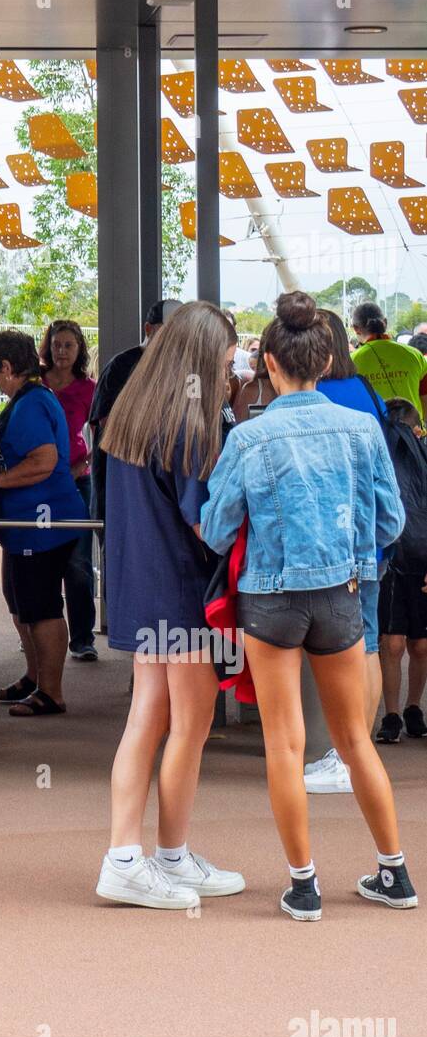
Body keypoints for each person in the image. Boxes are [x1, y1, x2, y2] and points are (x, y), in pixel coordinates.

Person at [202, 291, 414, 921]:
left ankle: (303, 886)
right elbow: (391, 521)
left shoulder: (249, 437)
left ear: (268, 363)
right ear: (325, 363)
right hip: (342, 594)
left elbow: (216, 529)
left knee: (284, 744)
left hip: (269, 599)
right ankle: (395, 875)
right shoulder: (362, 429)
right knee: (355, 740)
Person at [95, 301, 245, 911]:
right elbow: (207, 524)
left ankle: (132, 856)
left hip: (144, 590)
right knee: (190, 725)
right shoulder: (191, 426)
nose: (231, 374)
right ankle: (159, 855)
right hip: (185, 597)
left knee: (149, 721)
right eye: (227, 361)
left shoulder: (133, 416)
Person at [0, 330, 89, 717]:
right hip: (26, 524)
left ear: (6, 368)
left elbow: (43, 460)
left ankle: (52, 692)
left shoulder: (29, 406)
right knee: (19, 600)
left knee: (42, 607)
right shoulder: (33, 398)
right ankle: (34, 675)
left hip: (45, 522)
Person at [305, 308, 391, 790]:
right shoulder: (365, 392)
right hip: (371, 538)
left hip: (328, 543)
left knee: (338, 647)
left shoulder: (315, 396)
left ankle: (341, 753)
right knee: (370, 644)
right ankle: (361, 748)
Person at [87, 298, 182, 523]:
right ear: (149, 329)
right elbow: (106, 422)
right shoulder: (122, 366)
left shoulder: (180, 367)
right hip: (122, 489)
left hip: (161, 491)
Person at [39, 320, 97, 661]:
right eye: (57, 344)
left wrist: (83, 465)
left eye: (68, 346)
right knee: (42, 560)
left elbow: (102, 433)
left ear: (79, 350)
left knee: (78, 564)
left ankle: (82, 638)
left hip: (75, 480)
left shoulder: (89, 389)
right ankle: (41, 632)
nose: (61, 351)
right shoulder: (37, 384)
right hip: (39, 482)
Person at [376, 398, 427, 745]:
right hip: (393, 560)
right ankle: (392, 712)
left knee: (420, 645)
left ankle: (413, 707)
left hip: (420, 558)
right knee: (392, 643)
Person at [351, 300, 427, 421]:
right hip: (413, 432)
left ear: (356, 329)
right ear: (385, 323)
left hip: (375, 433)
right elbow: (425, 398)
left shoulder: (351, 361)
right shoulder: (414, 355)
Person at [233, 344, 279, 423]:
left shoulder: (253, 389)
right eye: (252, 368)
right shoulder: (252, 388)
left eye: (256, 367)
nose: (255, 371)